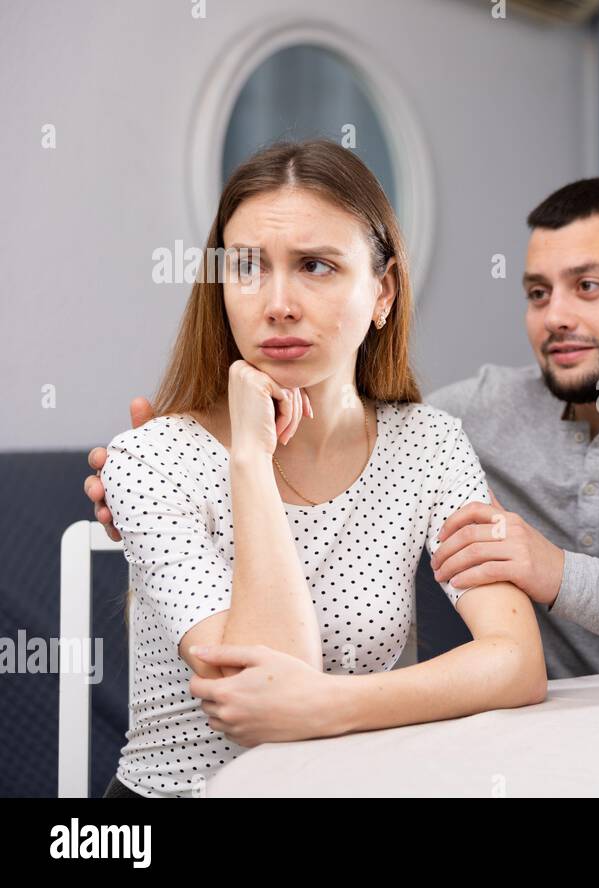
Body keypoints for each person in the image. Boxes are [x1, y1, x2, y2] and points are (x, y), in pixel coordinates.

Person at [88, 176, 599, 680]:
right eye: (538, 291)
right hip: (551, 744)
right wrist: (174, 472)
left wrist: (560, 574)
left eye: (589, 287)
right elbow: (355, 433)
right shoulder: (472, 412)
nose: (556, 316)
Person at [93, 140, 545, 797]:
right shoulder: (150, 457)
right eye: (248, 266)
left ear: (382, 291)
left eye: (315, 265)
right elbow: (264, 697)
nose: (278, 303)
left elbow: (516, 662)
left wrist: (333, 705)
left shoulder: (428, 444)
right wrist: (250, 459)